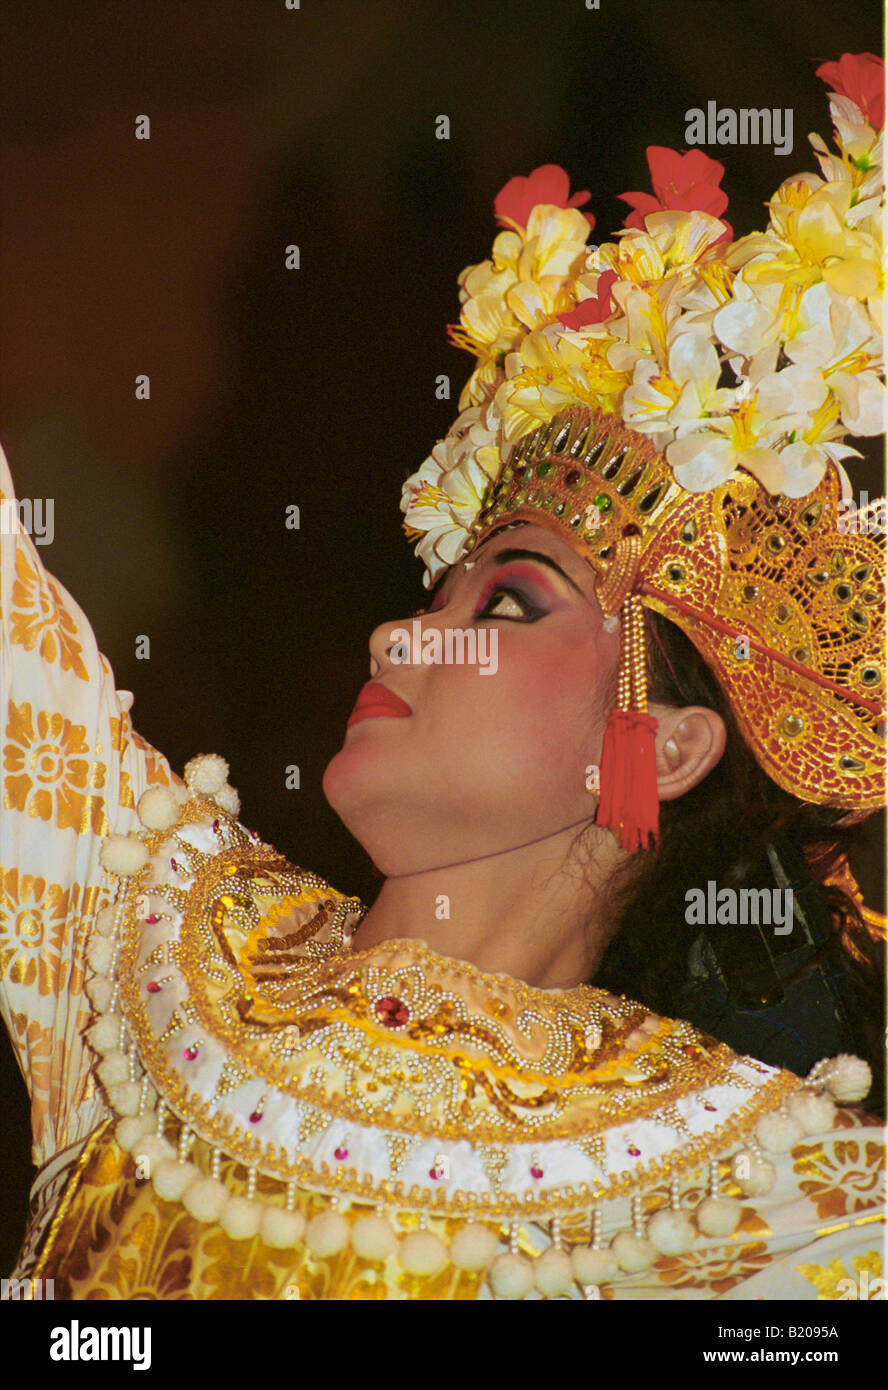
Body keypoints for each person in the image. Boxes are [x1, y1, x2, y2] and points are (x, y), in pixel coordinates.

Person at [0, 52, 884, 1301]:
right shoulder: (150, 946)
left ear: (667, 742)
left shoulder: (752, 1191)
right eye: (437, 594)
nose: (397, 638)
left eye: (509, 600)